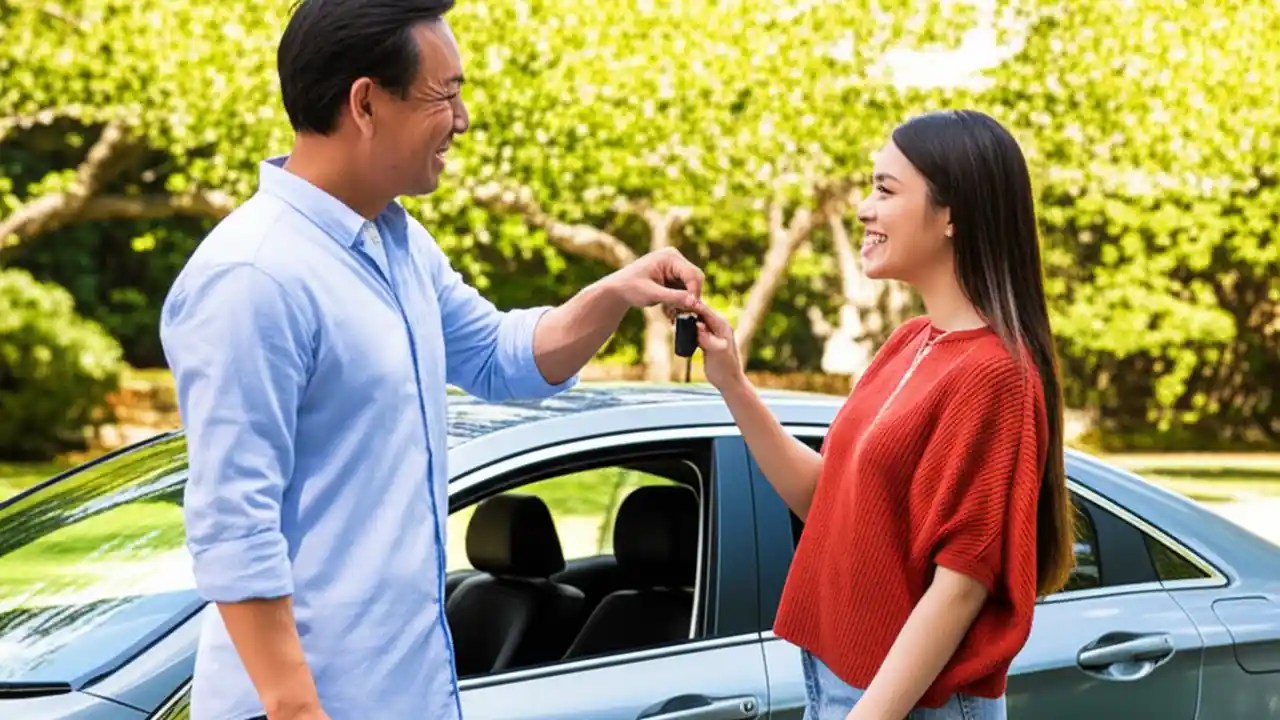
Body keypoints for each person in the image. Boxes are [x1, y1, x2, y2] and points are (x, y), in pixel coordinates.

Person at [158, 2, 703, 719]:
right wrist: (296, 709)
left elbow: (502, 357)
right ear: (365, 102)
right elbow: (233, 521)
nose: (464, 119)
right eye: (445, 94)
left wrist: (614, 293)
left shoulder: (398, 242)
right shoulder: (254, 275)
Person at [689, 110, 1074, 720]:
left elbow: (960, 584)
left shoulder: (995, 373)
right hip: (842, 685)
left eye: (885, 191)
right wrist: (732, 383)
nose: (865, 209)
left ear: (953, 215)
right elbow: (828, 505)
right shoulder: (910, 341)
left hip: (909, 705)